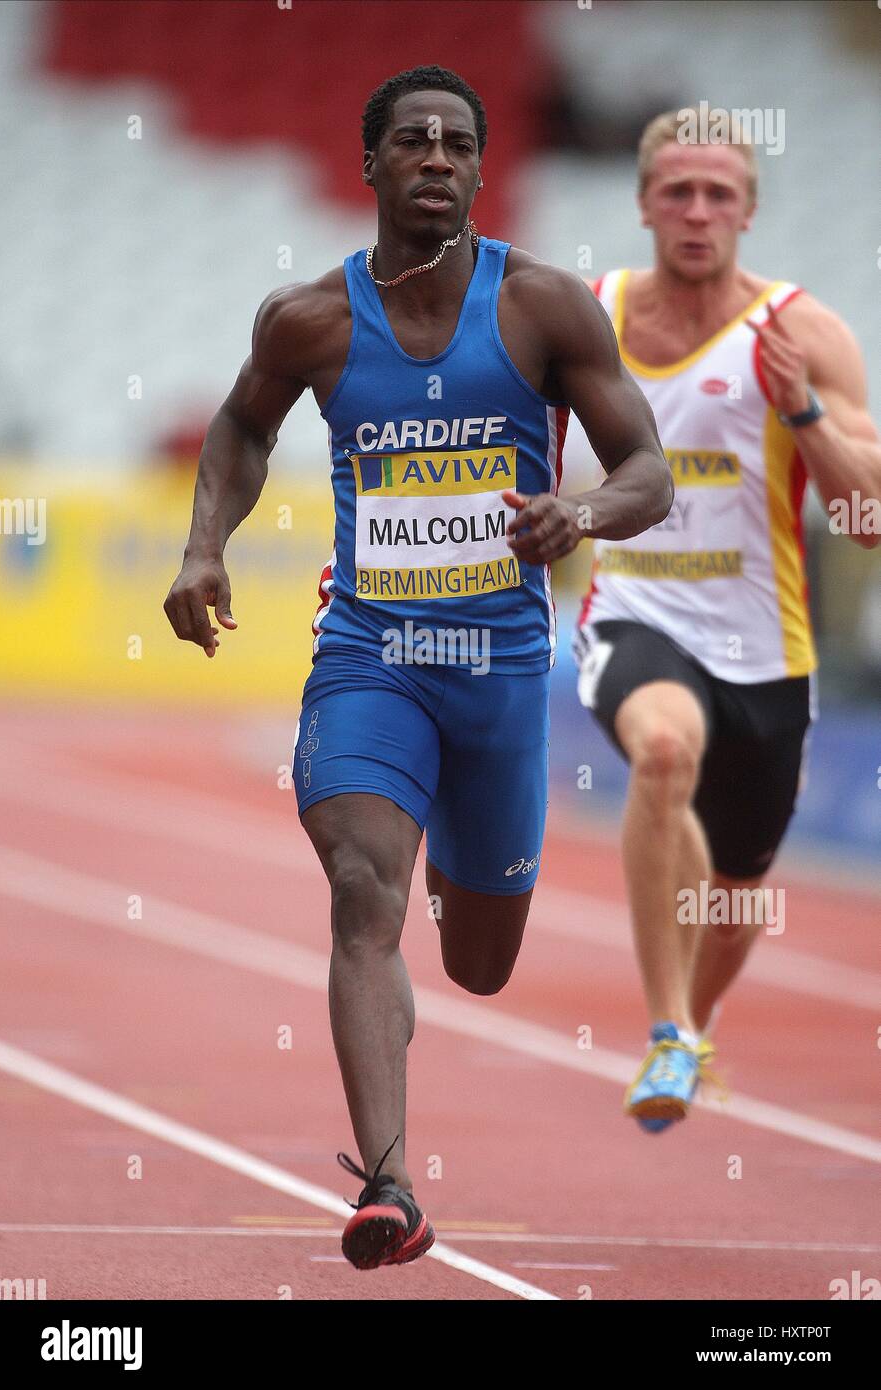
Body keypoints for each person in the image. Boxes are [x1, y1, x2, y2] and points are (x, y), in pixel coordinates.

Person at [164, 66, 672, 1267]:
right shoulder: (310, 320)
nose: (436, 156)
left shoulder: (545, 309)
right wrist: (200, 547)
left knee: (477, 964)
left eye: (456, 142)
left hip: (496, 673)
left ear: (481, 171)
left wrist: (580, 514)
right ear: (372, 166)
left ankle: (419, 932)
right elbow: (243, 425)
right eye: (412, 141)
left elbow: (645, 465)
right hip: (369, 656)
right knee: (359, 890)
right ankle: (388, 1185)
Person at [571, 108, 881, 1133]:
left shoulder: (803, 332)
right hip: (635, 610)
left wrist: (796, 413)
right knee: (662, 751)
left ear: (747, 210)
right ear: (642, 203)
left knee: (738, 895)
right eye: (676, 191)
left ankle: (688, 1033)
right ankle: (664, 1027)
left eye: (717, 194)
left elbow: (865, 517)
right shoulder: (589, 315)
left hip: (763, 644)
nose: (695, 211)